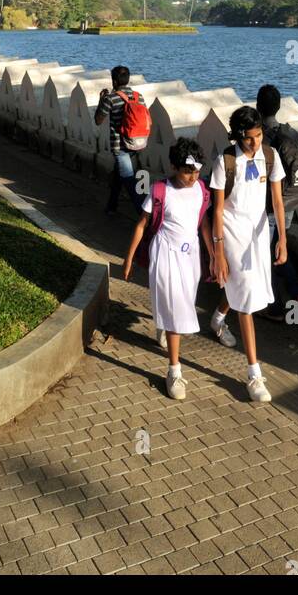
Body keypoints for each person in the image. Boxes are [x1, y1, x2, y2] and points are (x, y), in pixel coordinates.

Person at [122, 139, 215, 400]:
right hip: (165, 254)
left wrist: (214, 255)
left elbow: (204, 225)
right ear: (174, 167)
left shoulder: (201, 190)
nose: (192, 177)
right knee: (177, 311)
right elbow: (142, 224)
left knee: (183, 303)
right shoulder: (160, 190)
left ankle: (163, 326)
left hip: (191, 256)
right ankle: (174, 370)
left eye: (196, 171)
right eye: (187, 171)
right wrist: (128, 258)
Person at [209, 105, 287, 403]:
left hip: (258, 234)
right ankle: (254, 374)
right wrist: (218, 251)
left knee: (244, 288)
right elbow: (217, 208)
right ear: (239, 137)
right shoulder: (225, 162)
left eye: (259, 136)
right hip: (231, 233)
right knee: (247, 302)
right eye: (249, 139)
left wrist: (282, 238)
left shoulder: (270, 155)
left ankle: (217, 319)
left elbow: (277, 201)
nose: (255, 143)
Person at [255, 84, 298, 321]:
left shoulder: (261, 138)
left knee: (266, 253)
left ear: (258, 107)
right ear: (278, 107)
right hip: (291, 201)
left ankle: (275, 306)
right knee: (280, 247)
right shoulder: (291, 133)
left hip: (269, 203)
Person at [94, 65, 149, 216]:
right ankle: (111, 207)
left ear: (114, 81)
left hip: (120, 147)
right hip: (138, 143)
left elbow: (98, 120)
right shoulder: (139, 96)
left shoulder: (110, 99)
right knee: (119, 175)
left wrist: (102, 100)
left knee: (129, 180)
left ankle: (145, 217)